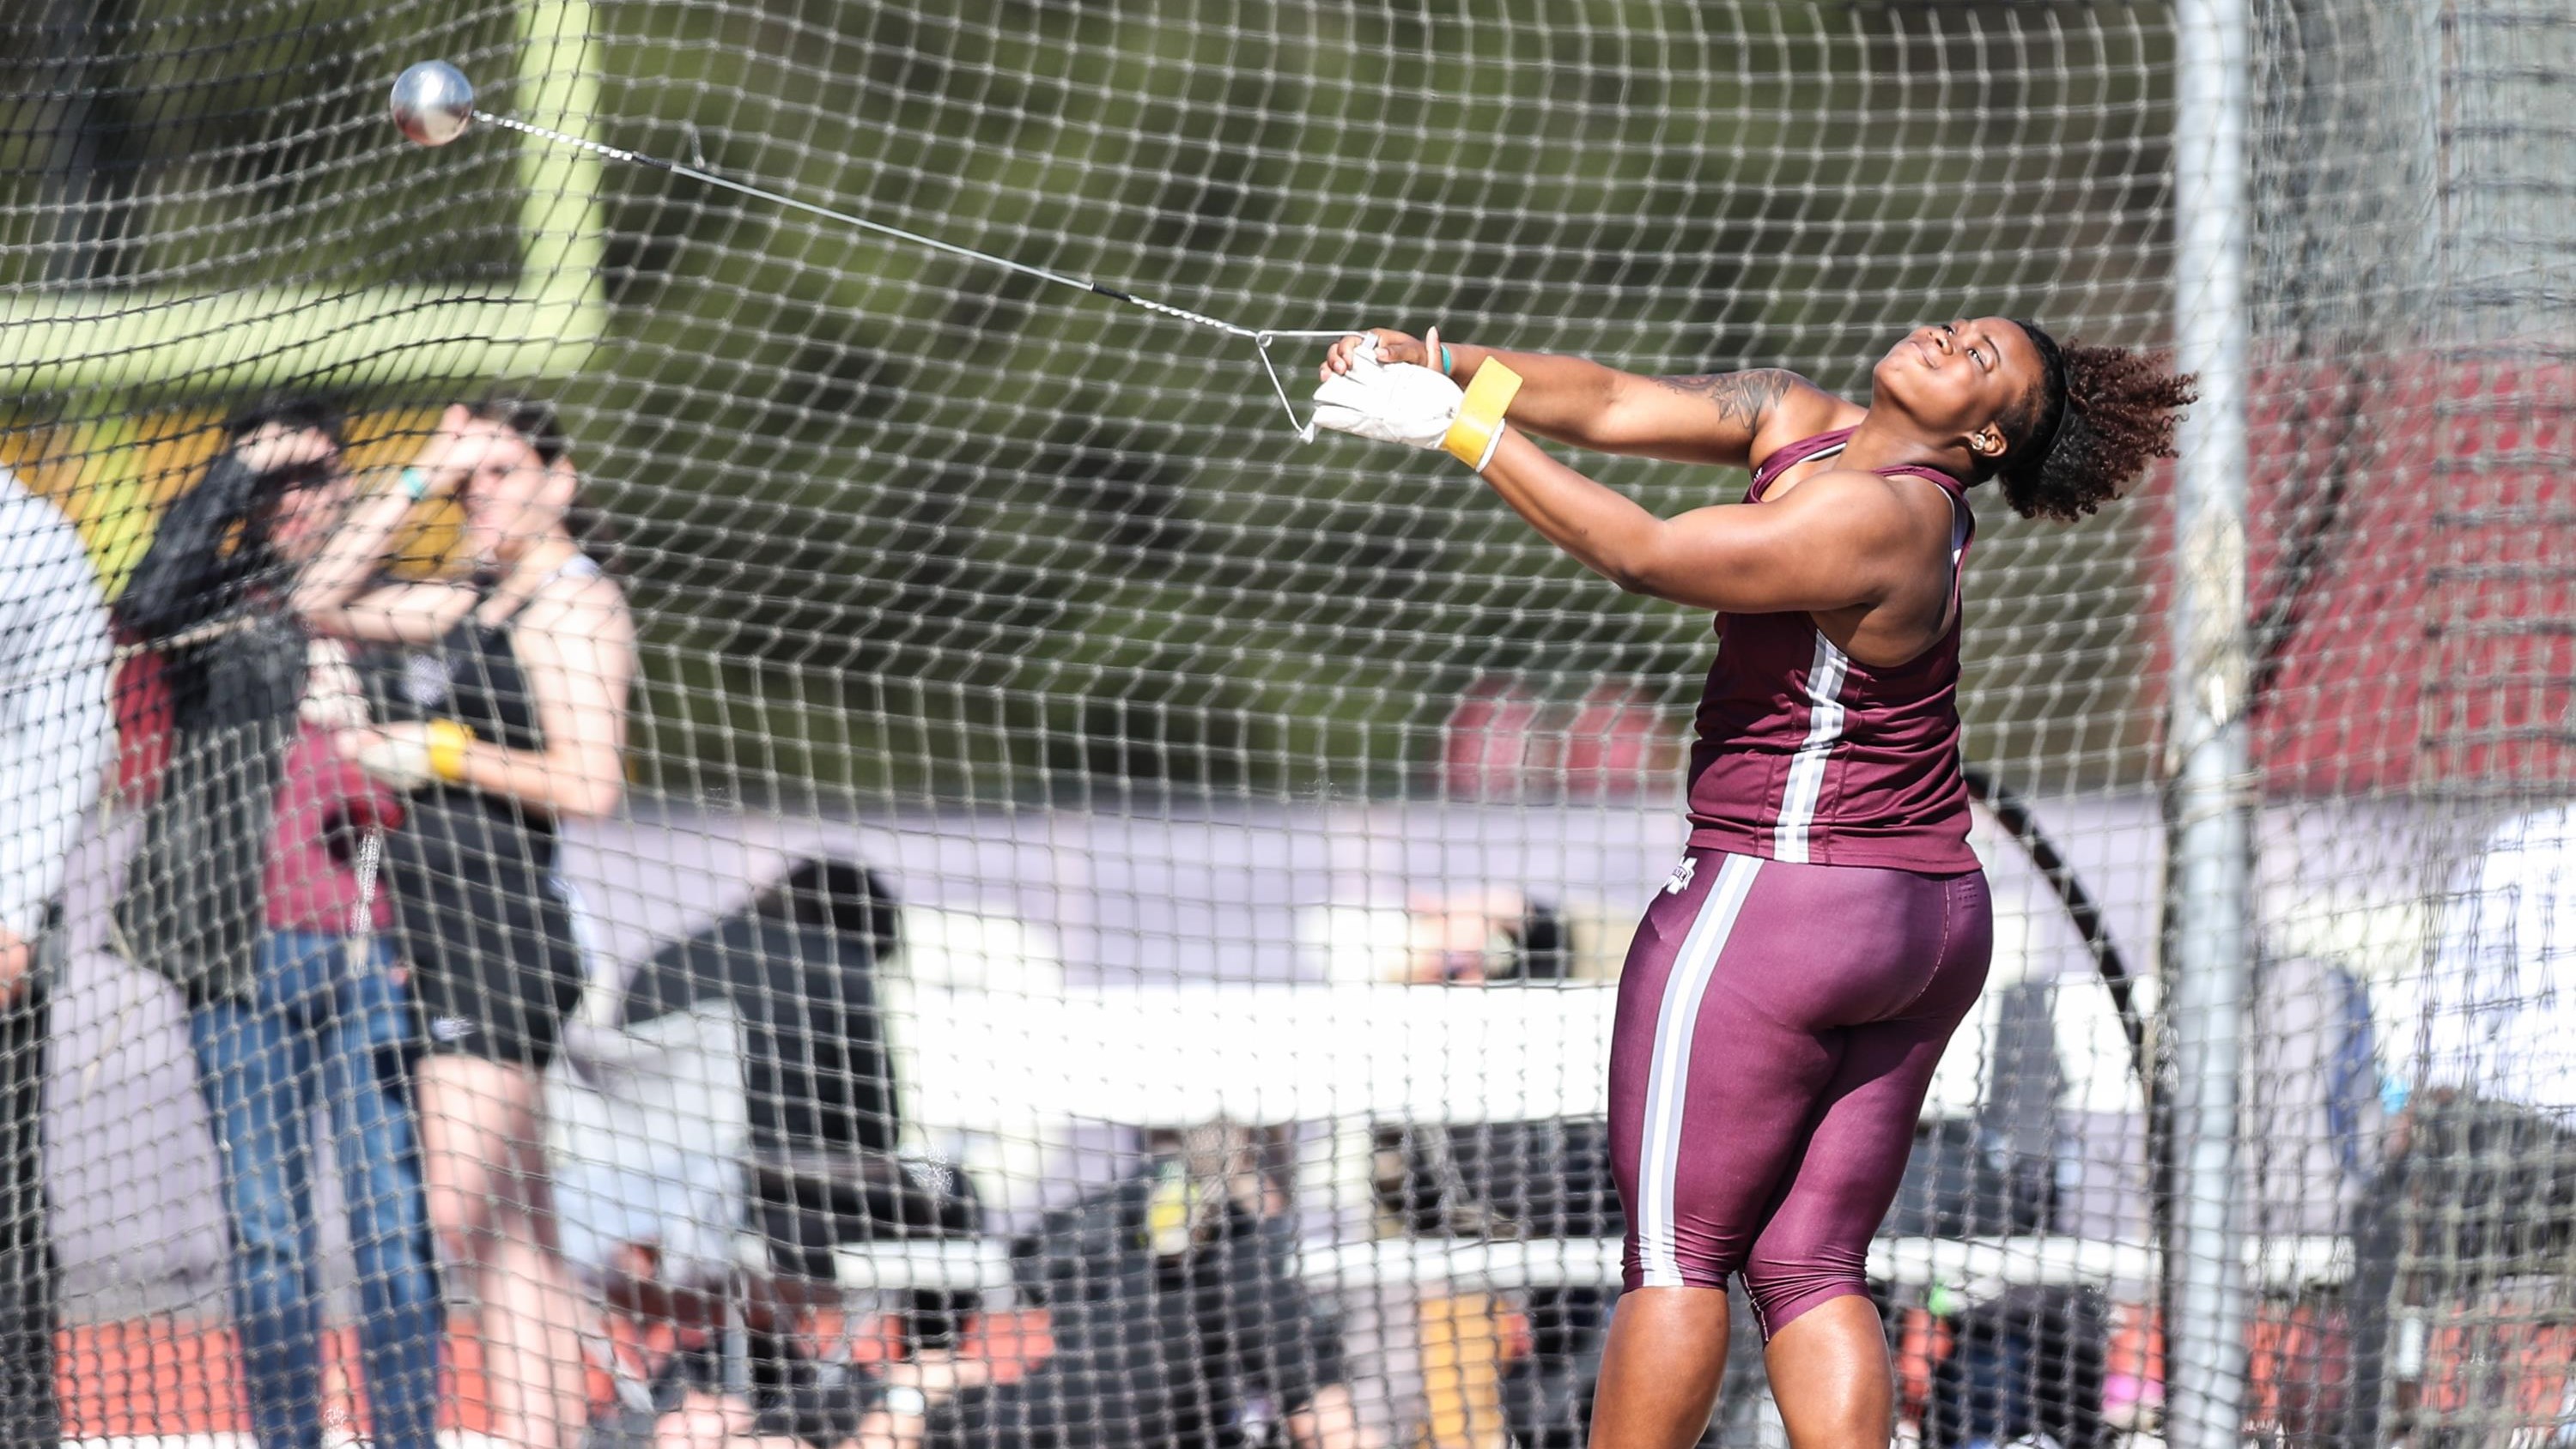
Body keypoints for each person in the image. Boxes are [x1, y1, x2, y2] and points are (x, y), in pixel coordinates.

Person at [1311, 318, 2194, 1449]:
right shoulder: (1797, 421)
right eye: (1968, 327)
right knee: (1808, 1264)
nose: (1949, 337)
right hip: (1926, 916)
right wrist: (1448, 365)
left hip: (1786, 902)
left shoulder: (1879, 515)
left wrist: (1464, 428)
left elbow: (1651, 555)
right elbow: (1609, 402)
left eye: (1981, 363)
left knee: (1677, 1260)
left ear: (1981, 437)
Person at [294, 394, 637, 1449]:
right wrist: (418, 476)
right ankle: (554, 1433)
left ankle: (637, 1397)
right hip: (437, 932)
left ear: (560, 480)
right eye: (468, 480)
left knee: (448, 1214)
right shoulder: (465, 601)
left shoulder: (573, 609)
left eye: (500, 472)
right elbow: (313, 596)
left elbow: (590, 783)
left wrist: (444, 754)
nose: (478, 495)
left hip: (502, 936)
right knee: (510, 1237)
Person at [113, 396, 444, 1449]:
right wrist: (234, 466)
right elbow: (145, 601)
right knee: (269, 1236)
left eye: (316, 477)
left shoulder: (393, 610)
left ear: (350, 483)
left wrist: (388, 734)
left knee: (394, 1223)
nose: (299, 500)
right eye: (277, 484)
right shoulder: (216, 598)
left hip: (378, 951)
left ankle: (405, 1433)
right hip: (237, 948)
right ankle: (288, 1436)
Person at [653, 1124, 1371, 1449]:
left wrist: (917, 1389)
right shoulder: (1195, 1250)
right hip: (972, 1400)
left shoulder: (1224, 1261)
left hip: (972, 1407)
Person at [2338, 805, 2576, 1449]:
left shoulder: (2524, 841)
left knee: (2405, 1248)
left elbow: (2444, 1023)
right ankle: (2406, 1412)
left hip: (2501, 1138)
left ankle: (2400, 1414)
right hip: (2514, 1134)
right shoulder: (2526, 842)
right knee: (2404, 1242)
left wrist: (2415, 1125)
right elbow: (2445, 1026)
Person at [0, 465, 113, 1447]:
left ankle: (21, 1419)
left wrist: (14, 909)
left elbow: (67, 735)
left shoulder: (31, 536)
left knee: (3, 1197)